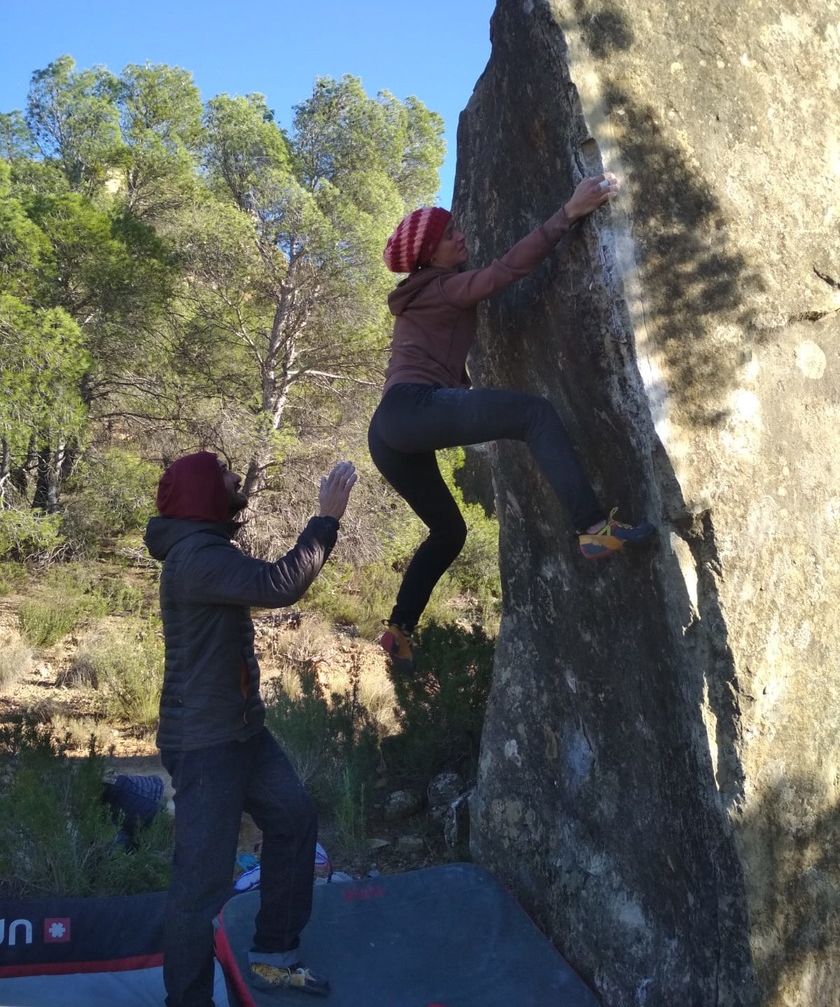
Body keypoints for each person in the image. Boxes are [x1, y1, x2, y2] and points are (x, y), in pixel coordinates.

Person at [368, 174, 654, 674]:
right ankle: (592, 528)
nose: (461, 237)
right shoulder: (444, 287)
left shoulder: (418, 295)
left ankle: (398, 629)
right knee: (534, 414)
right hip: (413, 409)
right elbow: (503, 272)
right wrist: (568, 213)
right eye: (450, 236)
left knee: (449, 532)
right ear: (431, 255)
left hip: (389, 432)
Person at [144, 451, 357, 1004]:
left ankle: (275, 956)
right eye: (226, 475)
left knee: (293, 818)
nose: (237, 479)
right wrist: (326, 519)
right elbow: (280, 584)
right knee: (201, 885)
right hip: (206, 743)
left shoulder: (206, 549)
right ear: (203, 494)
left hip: (240, 732)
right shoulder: (195, 557)